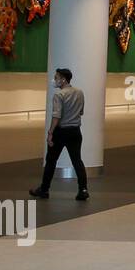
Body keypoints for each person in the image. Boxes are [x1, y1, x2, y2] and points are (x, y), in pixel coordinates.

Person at [30, 67, 89, 201]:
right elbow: (81, 112)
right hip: (75, 131)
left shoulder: (59, 95)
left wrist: (50, 132)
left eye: (56, 78)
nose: (54, 80)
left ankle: (44, 190)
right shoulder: (79, 92)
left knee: (51, 160)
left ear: (63, 80)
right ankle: (83, 189)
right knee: (77, 160)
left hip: (61, 131)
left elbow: (56, 116)